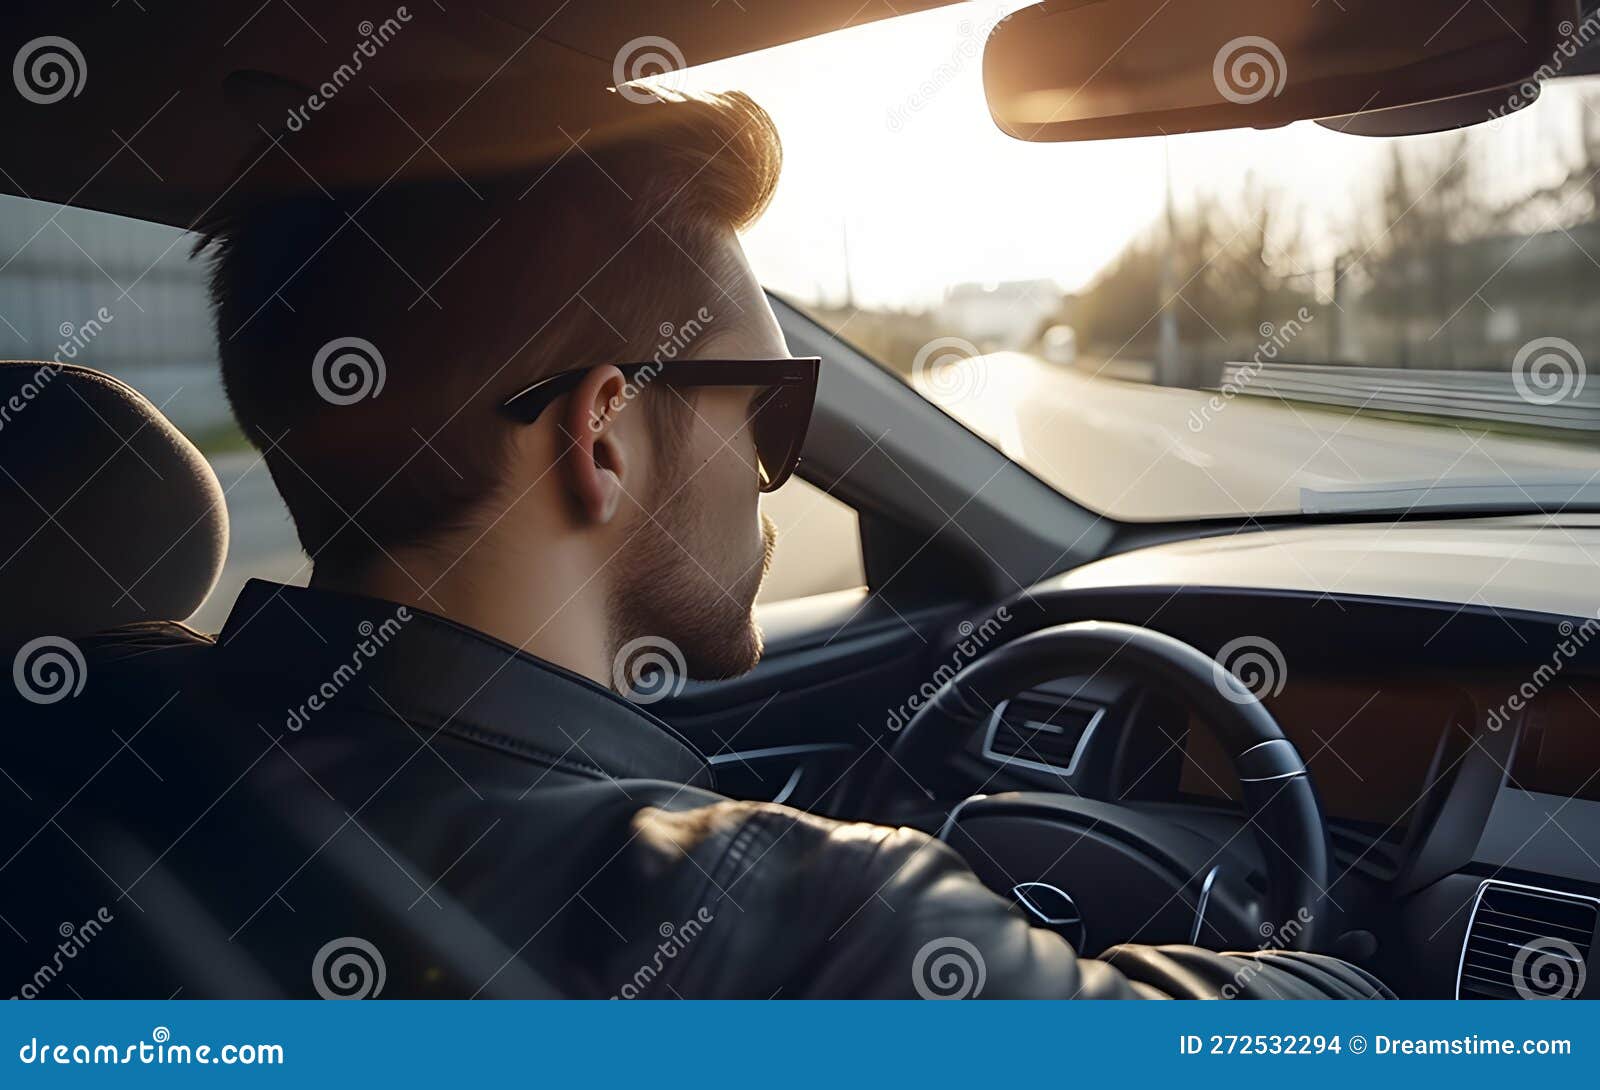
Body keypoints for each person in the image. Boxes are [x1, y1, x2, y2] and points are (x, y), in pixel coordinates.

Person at [191, 91, 1389, 998]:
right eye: (768, 408)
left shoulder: (71, 746)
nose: (782, 468)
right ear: (603, 435)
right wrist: (1339, 963)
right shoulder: (822, 930)